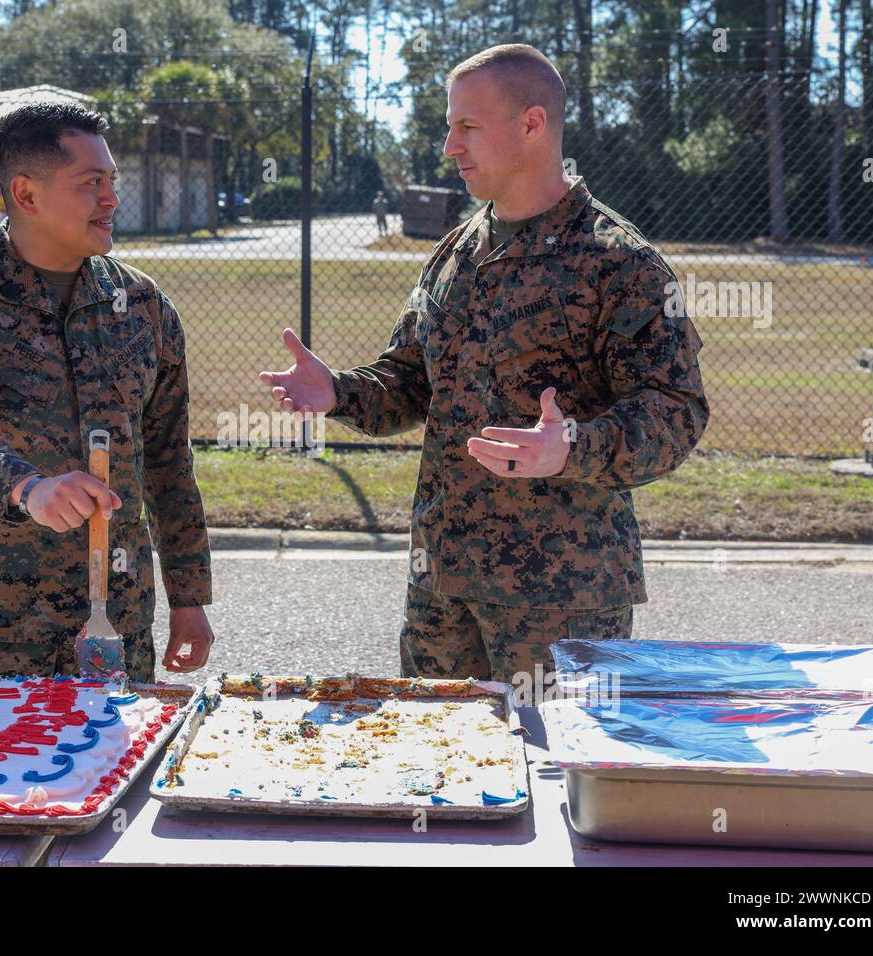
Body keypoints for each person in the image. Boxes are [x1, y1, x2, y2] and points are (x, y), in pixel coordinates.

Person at [259, 44, 709, 686]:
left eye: (468, 126)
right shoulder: (456, 254)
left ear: (532, 125)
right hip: (441, 584)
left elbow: (675, 412)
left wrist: (571, 446)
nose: (450, 146)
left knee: (554, 770)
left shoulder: (618, 262)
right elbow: (411, 382)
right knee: (441, 763)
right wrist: (338, 392)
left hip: (560, 597)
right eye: (450, 126)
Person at [0, 101, 215, 681]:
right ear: (27, 194)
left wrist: (188, 597)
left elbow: (167, 461)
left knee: (118, 773)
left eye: (112, 181)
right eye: (91, 183)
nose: (112, 198)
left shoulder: (142, 307)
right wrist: (26, 487)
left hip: (116, 629)